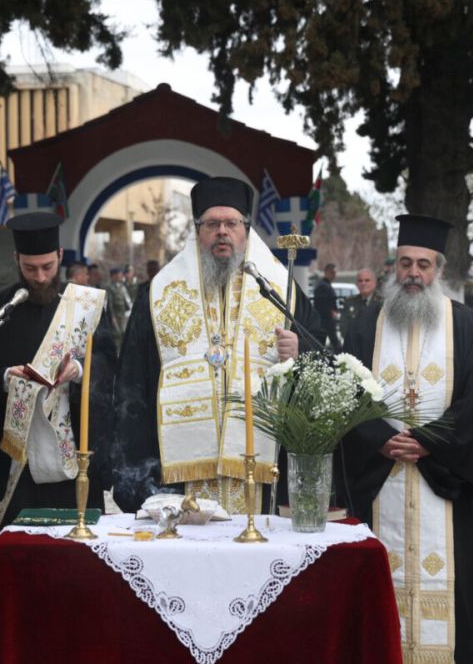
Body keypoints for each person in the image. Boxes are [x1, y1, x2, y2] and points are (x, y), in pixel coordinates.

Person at [339, 214, 473, 663]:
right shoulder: (366, 323)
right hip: (381, 479)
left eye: (424, 265)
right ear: (394, 265)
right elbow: (347, 392)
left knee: (454, 590)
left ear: (439, 271)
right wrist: (379, 439)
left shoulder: (465, 325)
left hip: (444, 479)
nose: (414, 273)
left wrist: (429, 441)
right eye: (406, 263)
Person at [112, 176, 323, 514]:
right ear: (198, 230)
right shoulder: (158, 295)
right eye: (212, 223)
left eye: (231, 223)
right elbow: (132, 386)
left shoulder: (282, 292)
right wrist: (138, 475)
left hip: (260, 479)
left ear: (246, 229)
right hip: (178, 479)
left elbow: (322, 368)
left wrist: (300, 354)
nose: (222, 231)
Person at [0, 212, 116, 528]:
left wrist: (80, 370)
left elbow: (110, 365)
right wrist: (5, 378)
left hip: (75, 453)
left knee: (78, 547)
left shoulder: (86, 305)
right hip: (17, 461)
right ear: (16, 259)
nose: (41, 277)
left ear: (60, 256)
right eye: (30, 268)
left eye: (48, 267)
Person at [339, 268, 380, 338]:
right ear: (357, 284)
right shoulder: (349, 302)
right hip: (354, 345)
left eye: (367, 280)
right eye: (360, 281)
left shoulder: (382, 302)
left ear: (374, 283)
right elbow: (344, 327)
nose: (363, 283)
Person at [313, 262, 342, 351]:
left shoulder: (325, 284)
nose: (334, 275)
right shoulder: (323, 286)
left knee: (331, 341)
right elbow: (321, 304)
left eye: (335, 272)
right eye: (332, 272)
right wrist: (331, 312)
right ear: (326, 272)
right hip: (325, 319)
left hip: (326, 318)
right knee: (331, 342)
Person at [106, 266, 133, 349]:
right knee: (116, 336)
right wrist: (113, 317)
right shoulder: (109, 287)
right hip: (116, 315)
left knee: (123, 335)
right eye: (119, 274)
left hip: (123, 315)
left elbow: (127, 301)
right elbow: (109, 304)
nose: (121, 276)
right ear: (113, 275)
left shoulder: (121, 286)